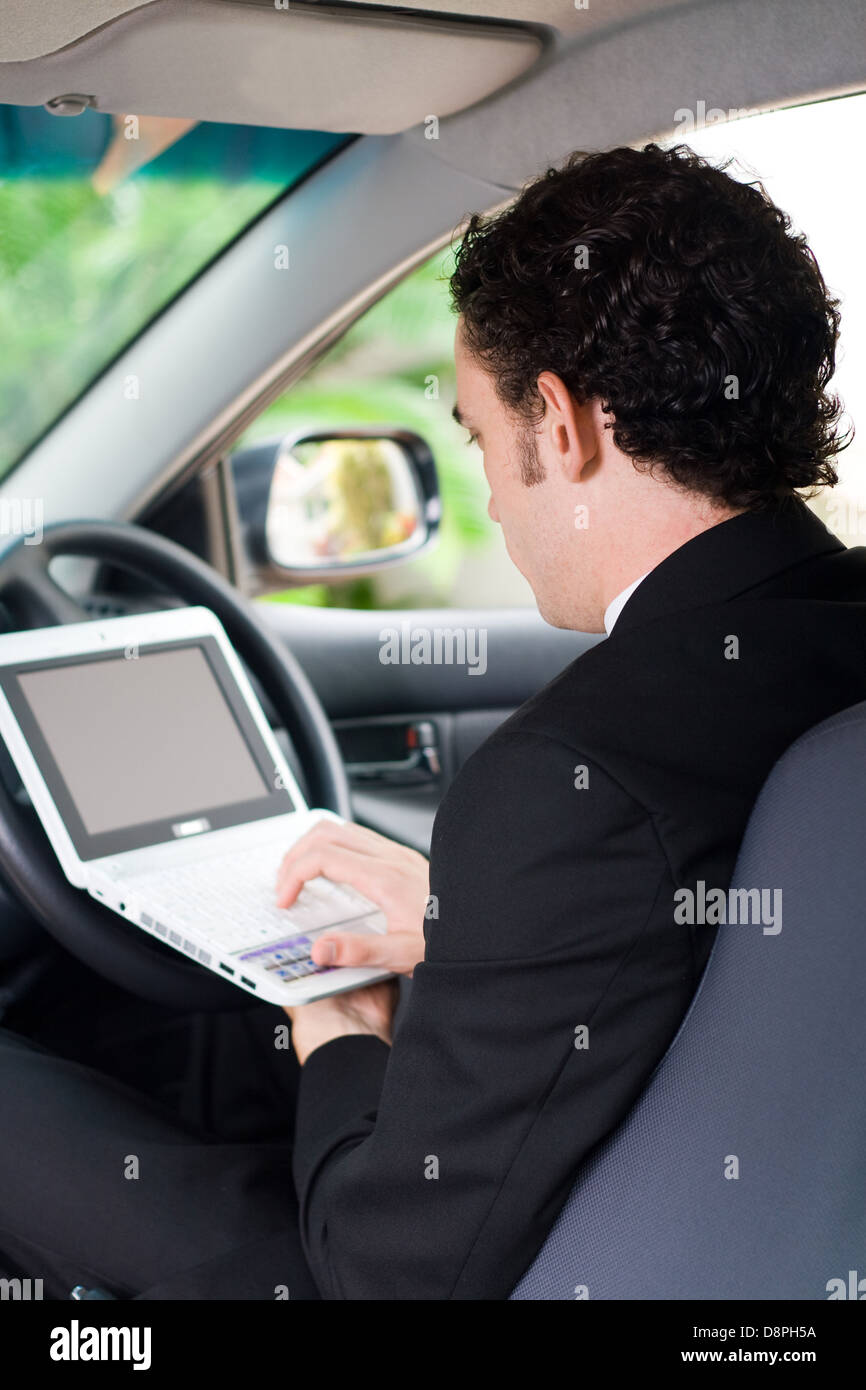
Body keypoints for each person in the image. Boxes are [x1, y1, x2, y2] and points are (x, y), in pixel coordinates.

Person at [2, 142, 865, 1300]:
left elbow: (380, 1270)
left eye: (474, 434)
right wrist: (467, 924)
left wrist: (345, 1031)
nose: (494, 496)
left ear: (557, 425)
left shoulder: (572, 775)